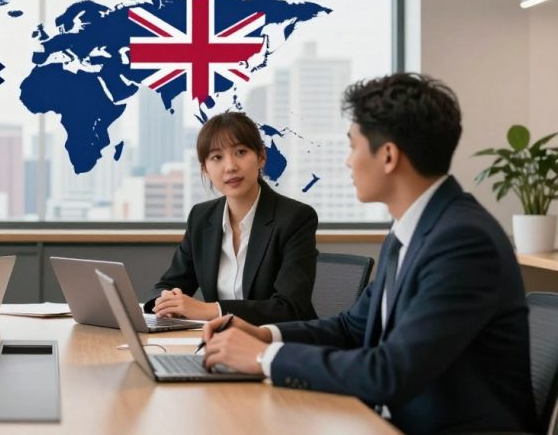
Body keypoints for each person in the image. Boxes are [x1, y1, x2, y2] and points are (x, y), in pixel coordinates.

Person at [201, 73, 535, 434]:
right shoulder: (413, 228)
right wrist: (264, 335)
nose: (348, 162)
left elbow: (390, 372)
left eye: (353, 146)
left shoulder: (463, 241)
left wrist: (261, 358)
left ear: (388, 155)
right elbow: (351, 326)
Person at [144, 111, 318, 325]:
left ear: (261, 157)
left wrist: (212, 310)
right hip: (221, 342)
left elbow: (289, 307)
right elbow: (169, 284)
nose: (230, 166)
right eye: (217, 157)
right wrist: (166, 302)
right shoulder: (201, 217)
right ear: (205, 169)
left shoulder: (295, 218)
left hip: (282, 345)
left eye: (241, 152)